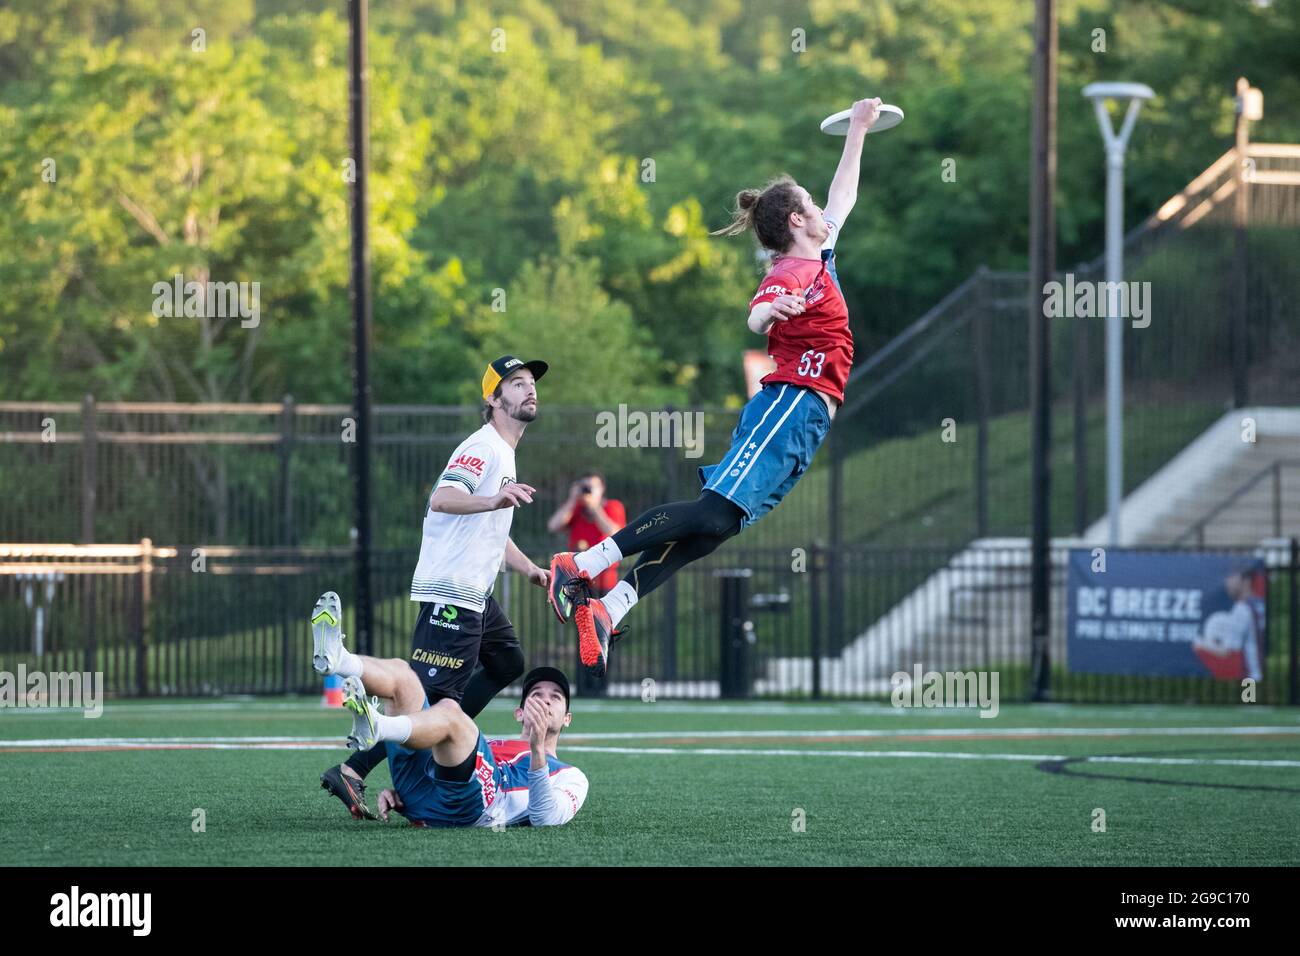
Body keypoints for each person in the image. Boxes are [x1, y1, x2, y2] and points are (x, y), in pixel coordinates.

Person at [547, 97, 884, 677]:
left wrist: (857, 128)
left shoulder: (821, 255)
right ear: (798, 222)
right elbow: (756, 316)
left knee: (719, 525)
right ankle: (579, 566)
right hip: (789, 404)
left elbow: (844, 195)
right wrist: (774, 309)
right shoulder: (790, 271)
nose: (824, 209)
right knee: (710, 508)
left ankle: (610, 606)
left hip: (809, 420)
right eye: (811, 205)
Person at [315, 354, 552, 819]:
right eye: (517, 383)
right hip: (453, 593)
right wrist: (493, 498)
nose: (529, 390)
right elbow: (442, 499)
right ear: (493, 398)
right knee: (425, 696)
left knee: (508, 662)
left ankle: (417, 726)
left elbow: (493, 528)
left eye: (531, 383)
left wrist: (529, 569)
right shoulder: (483, 446)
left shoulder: (504, 452)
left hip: (475, 596)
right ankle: (355, 765)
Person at [311, 591, 587, 828]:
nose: (545, 700)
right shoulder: (494, 745)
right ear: (520, 713)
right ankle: (339, 660)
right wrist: (400, 794)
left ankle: (379, 726)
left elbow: (545, 818)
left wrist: (538, 750)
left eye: (555, 697)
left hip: (476, 807)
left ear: (567, 719)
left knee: (452, 714)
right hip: (422, 792)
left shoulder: (570, 775)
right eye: (536, 695)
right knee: (405, 676)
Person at [545, 471, 626, 596]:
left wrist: (594, 507)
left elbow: (614, 532)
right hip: (577, 579)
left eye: (591, 487)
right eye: (584, 487)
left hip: (604, 580)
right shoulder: (575, 508)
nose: (587, 491)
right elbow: (553, 526)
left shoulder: (612, 506)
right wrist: (572, 500)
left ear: (602, 489)